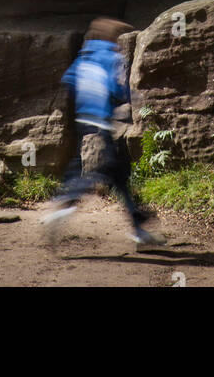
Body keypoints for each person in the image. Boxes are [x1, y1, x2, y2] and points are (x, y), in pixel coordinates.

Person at [42, 17, 164, 251]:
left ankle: (139, 229)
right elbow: (117, 89)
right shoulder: (112, 57)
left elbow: (69, 80)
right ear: (111, 37)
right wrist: (131, 99)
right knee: (106, 171)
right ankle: (64, 207)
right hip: (102, 123)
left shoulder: (84, 57)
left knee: (116, 175)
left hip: (83, 120)